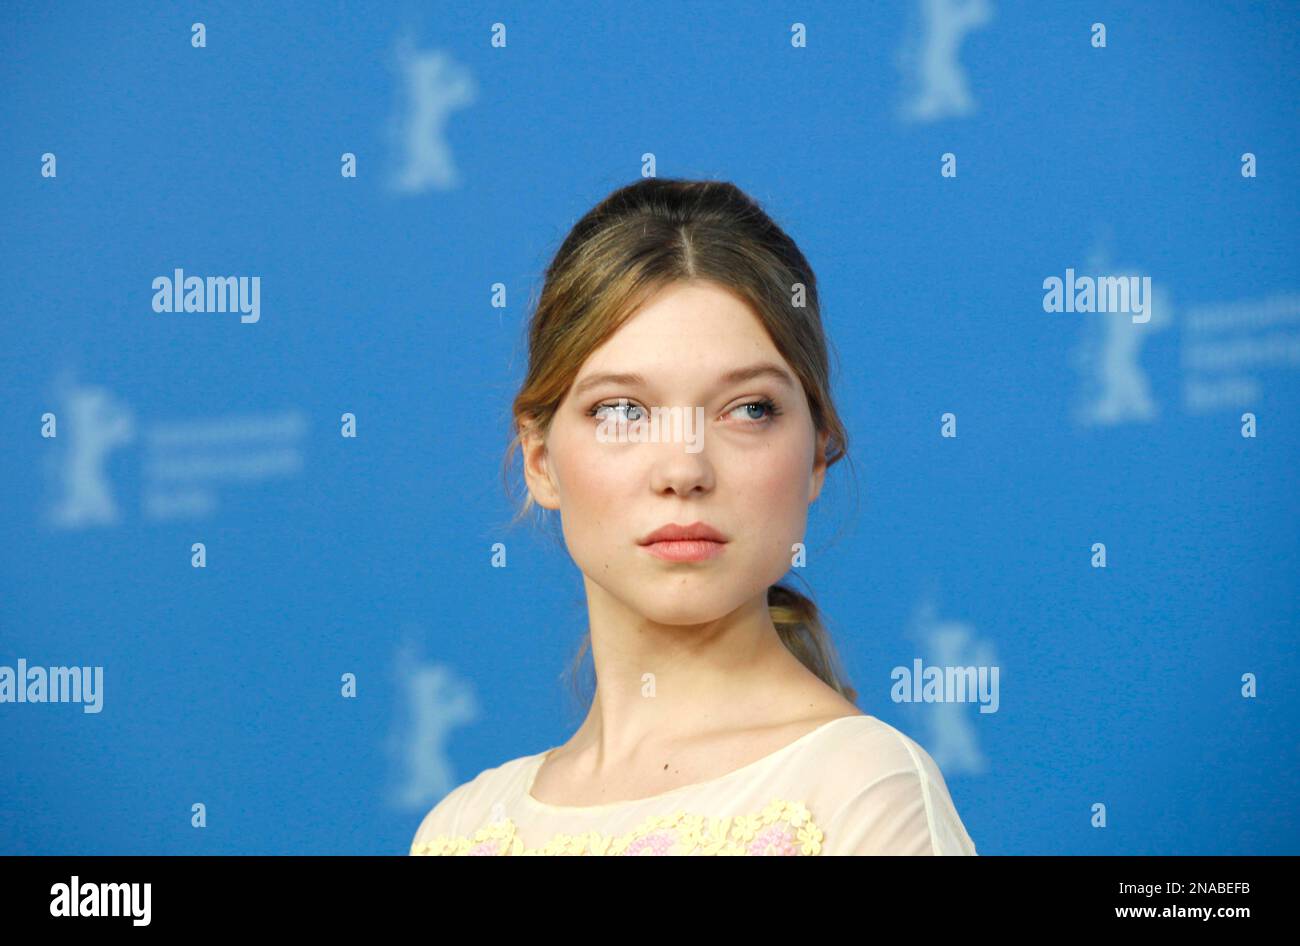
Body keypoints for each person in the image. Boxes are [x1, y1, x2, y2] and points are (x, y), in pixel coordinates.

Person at [410, 177, 977, 856]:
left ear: (817, 456)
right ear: (539, 460)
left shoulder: (865, 793)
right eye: (622, 411)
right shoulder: (459, 830)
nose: (684, 469)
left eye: (749, 409)